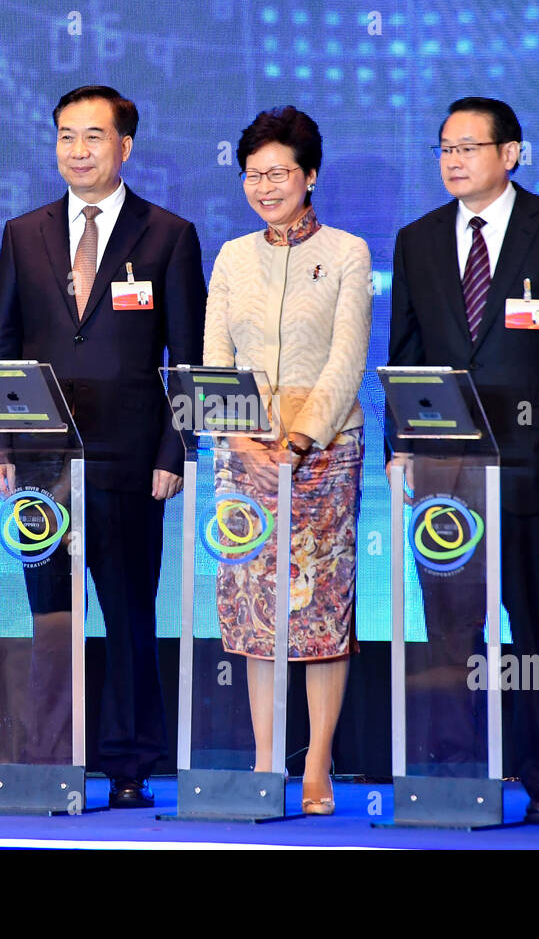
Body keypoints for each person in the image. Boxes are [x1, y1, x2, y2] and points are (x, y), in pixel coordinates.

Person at [0, 85, 206, 808]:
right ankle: (50, 756)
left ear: (125, 147)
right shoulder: (25, 232)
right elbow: (4, 346)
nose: (76, 151)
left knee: (130, 617)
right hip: (42, 463)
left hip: (131, 459)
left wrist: (176, 453)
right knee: (50, 616)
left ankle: (131, 765)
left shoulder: (168, 234)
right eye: (65, 137)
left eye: (92, 137)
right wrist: (1, 445)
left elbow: (190, 358)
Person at [390, 97, 539, 824]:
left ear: (511, 154)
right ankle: (453, 773)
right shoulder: (416, 239)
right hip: (447, 470)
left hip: (536, 458)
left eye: (469, 147)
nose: (453, 160)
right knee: (450, 627)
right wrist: (401, 446)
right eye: (444, 148)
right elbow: (407, 356)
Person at [203, 106, 371, 815]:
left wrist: (300, 440)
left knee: (321, 611)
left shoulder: (349, 250)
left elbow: (347, 358)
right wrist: (238, 439)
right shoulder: (232, 256)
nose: (265, 187)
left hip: (325, 453)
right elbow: (215, 360)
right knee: (252, 616)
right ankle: (266, 762)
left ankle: (317, 767)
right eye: (254, 175)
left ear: (310, 176)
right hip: (243, 456)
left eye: (279, 173)